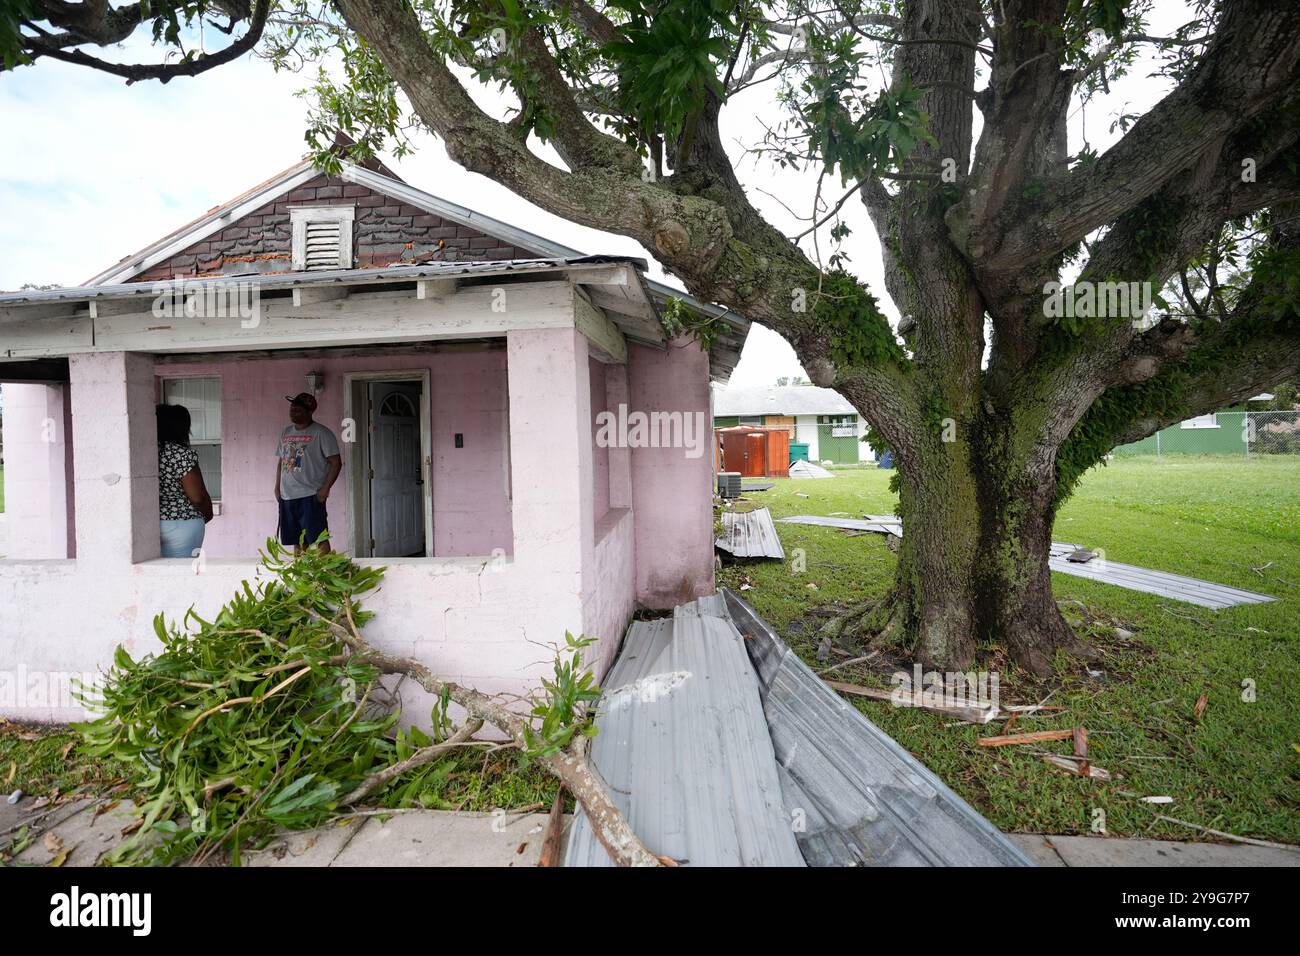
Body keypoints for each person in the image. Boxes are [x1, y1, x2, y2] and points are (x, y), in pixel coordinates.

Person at [275, 392, 342, 552]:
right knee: (297, 540)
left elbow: (336, 463)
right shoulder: (286, 432)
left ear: (310, 412)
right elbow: (281, 461)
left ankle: (324, 573)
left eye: (298, 410)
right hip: (287, 496)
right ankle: (301, 574)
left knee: (319, 538)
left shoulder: (322, 433)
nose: (293, 412)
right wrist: (277, 487)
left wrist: (324, 490)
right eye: (292, 408)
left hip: (310, 495)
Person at [157, 403, 214, 558]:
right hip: (183, 524)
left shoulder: (145, 452)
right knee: (181, 576)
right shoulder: (181, 454)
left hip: (151, 522)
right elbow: (198, 497)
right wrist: (208, 514)